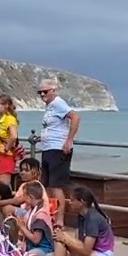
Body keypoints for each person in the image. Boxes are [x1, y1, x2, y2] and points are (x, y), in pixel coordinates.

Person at [36, 78, 79, 226]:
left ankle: (59, 220)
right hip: (47, 148)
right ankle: (49, 215)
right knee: (47, 184)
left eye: (45, 91)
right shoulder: (49, 107)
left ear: (53, 91)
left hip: (58, 149)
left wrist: (69, 140)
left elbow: (75, 117)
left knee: (56, 186)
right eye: (39, 92)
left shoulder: (59, 103)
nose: (42, 95)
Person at [46, 186, 114, 256]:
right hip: (90, 255)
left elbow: (86, 251)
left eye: (72, 200)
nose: (70, 203)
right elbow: (79, 241)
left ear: (82, 202)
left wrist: (65, 239)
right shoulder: (81, 215)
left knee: (62, 238)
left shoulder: (93, 218)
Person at [0, 94, 20, 187]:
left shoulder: (9, 119)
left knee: (3, 185)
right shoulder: (1, 119)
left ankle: (6, 201)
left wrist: (6, 149)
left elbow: (13, 136)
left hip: (5, 155)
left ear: (6, 105)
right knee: (0, 184)